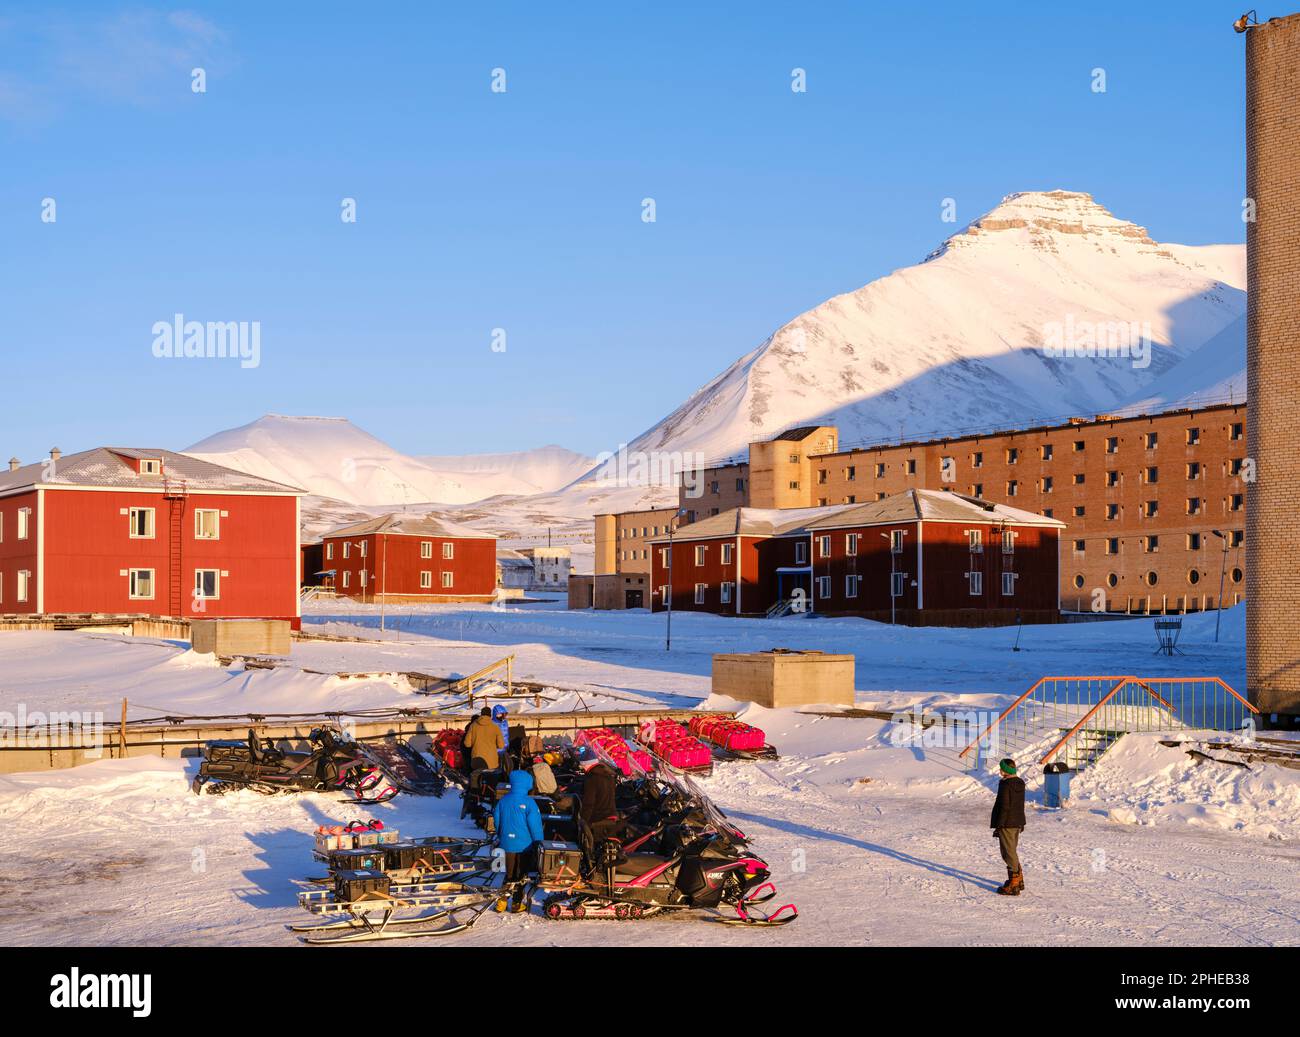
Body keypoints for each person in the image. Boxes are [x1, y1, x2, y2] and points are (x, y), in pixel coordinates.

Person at [492, 769, 544, 912]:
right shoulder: (530, 803)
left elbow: (497, 820)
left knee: (509, 874)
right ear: (528, 784)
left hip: (507, 844)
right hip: (524, 845)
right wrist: (539, 842)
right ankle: (516, 904)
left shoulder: (503, 800)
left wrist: (501, 834)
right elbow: (535, 826)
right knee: (521, 875)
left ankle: (501, 903)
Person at [990, 757, 1027, 896]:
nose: (1000, 770)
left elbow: (1004, 806)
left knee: (1008, 853)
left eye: (1001, 768)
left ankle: (1014, 884)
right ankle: (1018, 879)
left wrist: (999, 825)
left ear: (1006, 770)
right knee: (1012, 851)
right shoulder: (1020, 783)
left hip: (1007, 823)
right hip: (1017, 822)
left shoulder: (1006, 785)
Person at [579, 759, 621, 842]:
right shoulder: (609, 776)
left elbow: (589, 803)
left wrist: (583, 821)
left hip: (598, 817)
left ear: (586, 765)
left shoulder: (592, 779)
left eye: (582, 766)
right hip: (611, 814)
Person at [463, 707, 503, 777]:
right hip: (492, 763)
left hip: (477, 761)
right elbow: (501, 745)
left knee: (477, 782)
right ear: (490, 715)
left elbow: (467, 744)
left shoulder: (473, 726)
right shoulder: (495, 727)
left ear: (481, 714)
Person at [491, 704, 512, 773]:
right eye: (500, 714)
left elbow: (507, 734)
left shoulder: (505, 722)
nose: (503, 716)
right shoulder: (492, 723)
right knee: (497, 767)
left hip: (505, 748)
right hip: (496, 750)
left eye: (504, 714)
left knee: (506, 767)